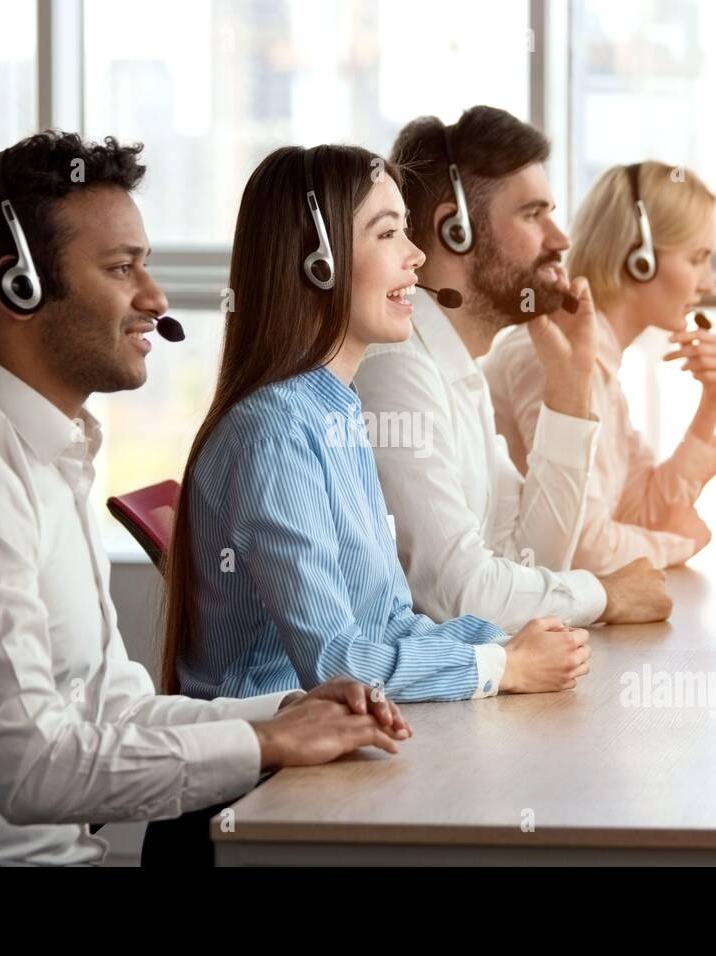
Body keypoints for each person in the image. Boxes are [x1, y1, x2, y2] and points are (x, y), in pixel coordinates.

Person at [0, 130, 406, 867]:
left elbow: (114, 709)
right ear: (17, 286)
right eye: (122, 269)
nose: (155, 299)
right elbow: (30, 768)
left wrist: (291, 710)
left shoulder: (43, 451)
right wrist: (266, 743)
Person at [166, 144, 593, 704]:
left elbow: (390, 623)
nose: (417, 256)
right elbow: (335, 662)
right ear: (319, 261)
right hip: (269, 774)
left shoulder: (335, 411)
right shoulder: (273, 434)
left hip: (337, 744)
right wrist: (500, 666)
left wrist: (515, 643)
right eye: (388, 233)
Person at [351, 107, 674, 636]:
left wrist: (570, 391)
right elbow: (457, 595)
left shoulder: (457, 368)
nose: (561, 239)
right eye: (533, 214)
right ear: (454, 229)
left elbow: (528, 561)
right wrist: (605, 594)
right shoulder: (398, 372)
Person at [482, 161, 716, 573]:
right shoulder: (553, 356)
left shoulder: (601, 362)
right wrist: (677, 544)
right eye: (697, 259)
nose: (708, 283)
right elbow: (584, 549)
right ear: (640, 259)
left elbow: (639, 507)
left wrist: (712, 405)